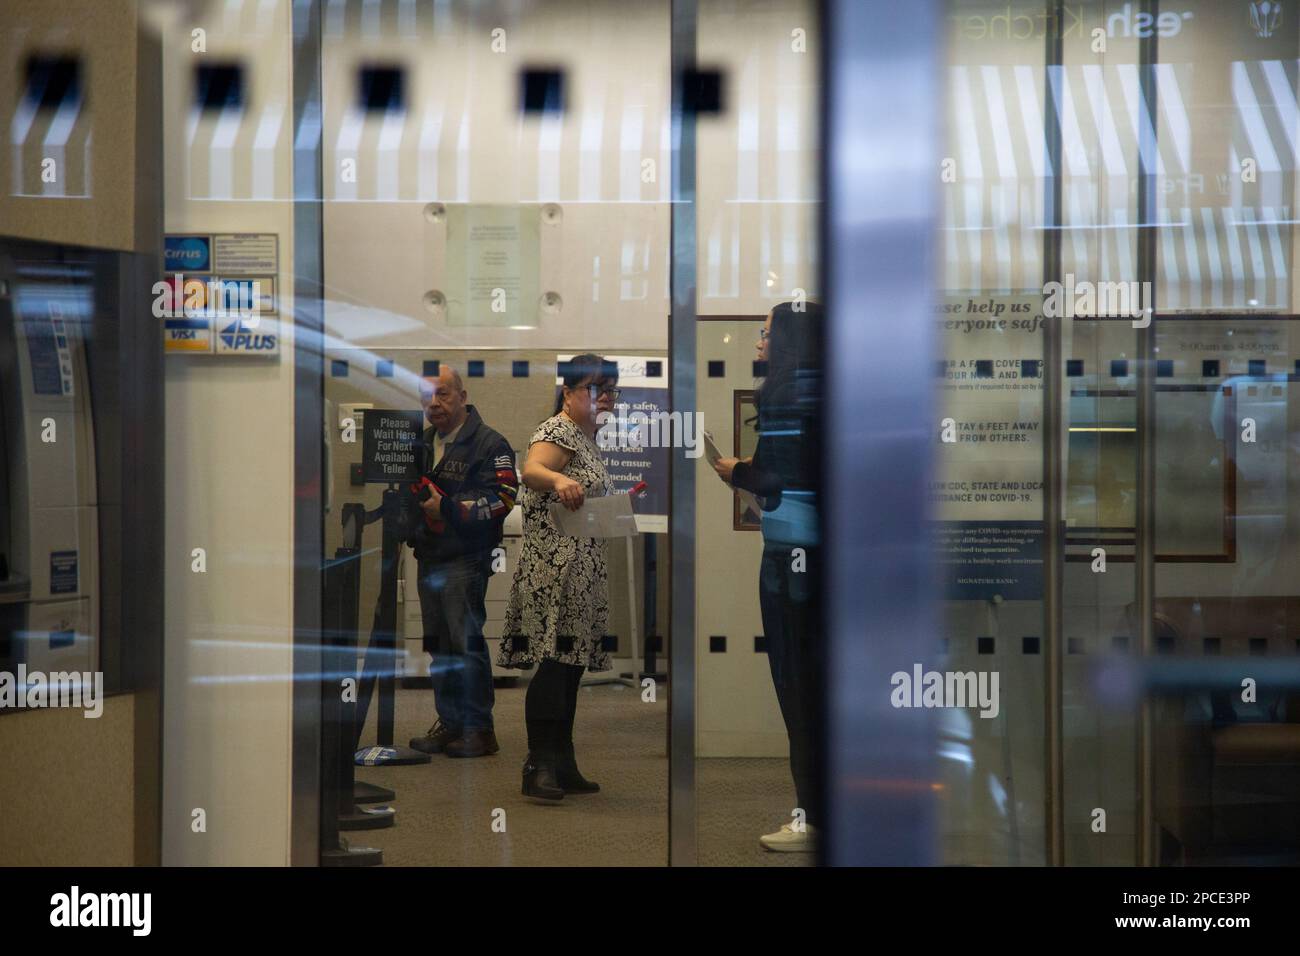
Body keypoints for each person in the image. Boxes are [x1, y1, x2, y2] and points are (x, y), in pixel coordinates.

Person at [713, 301, 823, 851]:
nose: (759, 343)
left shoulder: (786, 393)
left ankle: (814, 820)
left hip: (789, 561)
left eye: (766, 333)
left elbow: (774, 479)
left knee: (796, 687)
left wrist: (735, 472)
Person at [498, 353, 620, 802]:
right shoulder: (558, 430)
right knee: (553, 669)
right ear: (567, 394)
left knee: (570, 670)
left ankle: (563, 761)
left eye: (611, 390)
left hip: (581, 575)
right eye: (595, 389)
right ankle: (538, 765)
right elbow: (530, 471)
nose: (605, 397)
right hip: (554, 574)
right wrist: (556, 481)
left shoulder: (588, 437)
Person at [407, 366, 519, 758]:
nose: (433, 404)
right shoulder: (421, 442)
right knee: (440, 646)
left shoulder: (490, 444)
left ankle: (479, 729)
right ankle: (451, 724)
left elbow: (503, 499)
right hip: (429, 556)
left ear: (463, 395)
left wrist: (450, 509)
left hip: (465, 559)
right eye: (426, 396)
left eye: (442, 394)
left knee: (465, 642)